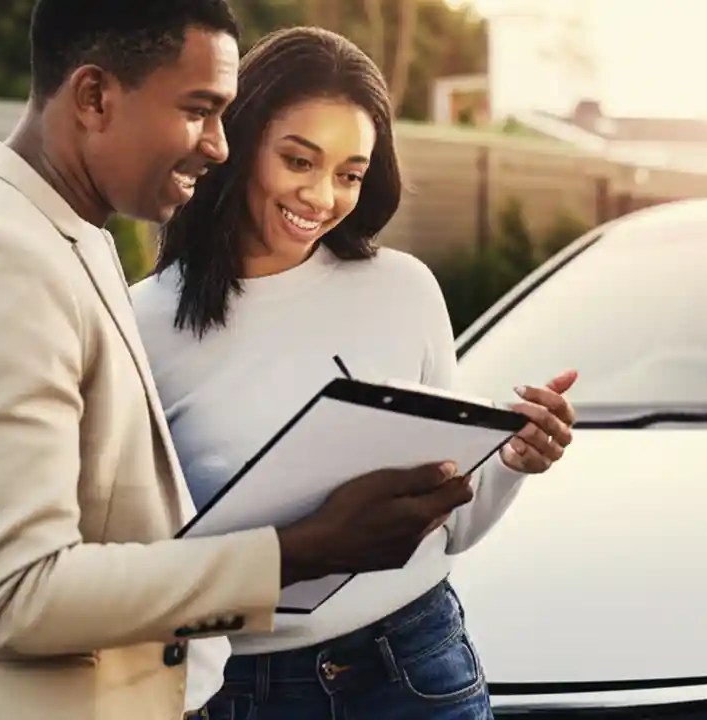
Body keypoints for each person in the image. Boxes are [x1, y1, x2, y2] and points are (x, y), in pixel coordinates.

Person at [0, 4, 478, 719]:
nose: (220, 146)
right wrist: (301, 551)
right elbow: (18, 594)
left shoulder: (64, 236)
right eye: (199, 111)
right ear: (94, 96)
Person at [131, 26, 578, 720]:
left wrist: (514, 461)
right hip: (243, 690)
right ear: (241, 146)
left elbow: (450, 526)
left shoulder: (401, 288)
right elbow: (138, 562)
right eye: (299, 161)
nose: (321, 197)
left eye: (350, 173)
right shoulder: (144, 324)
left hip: (415, 663)